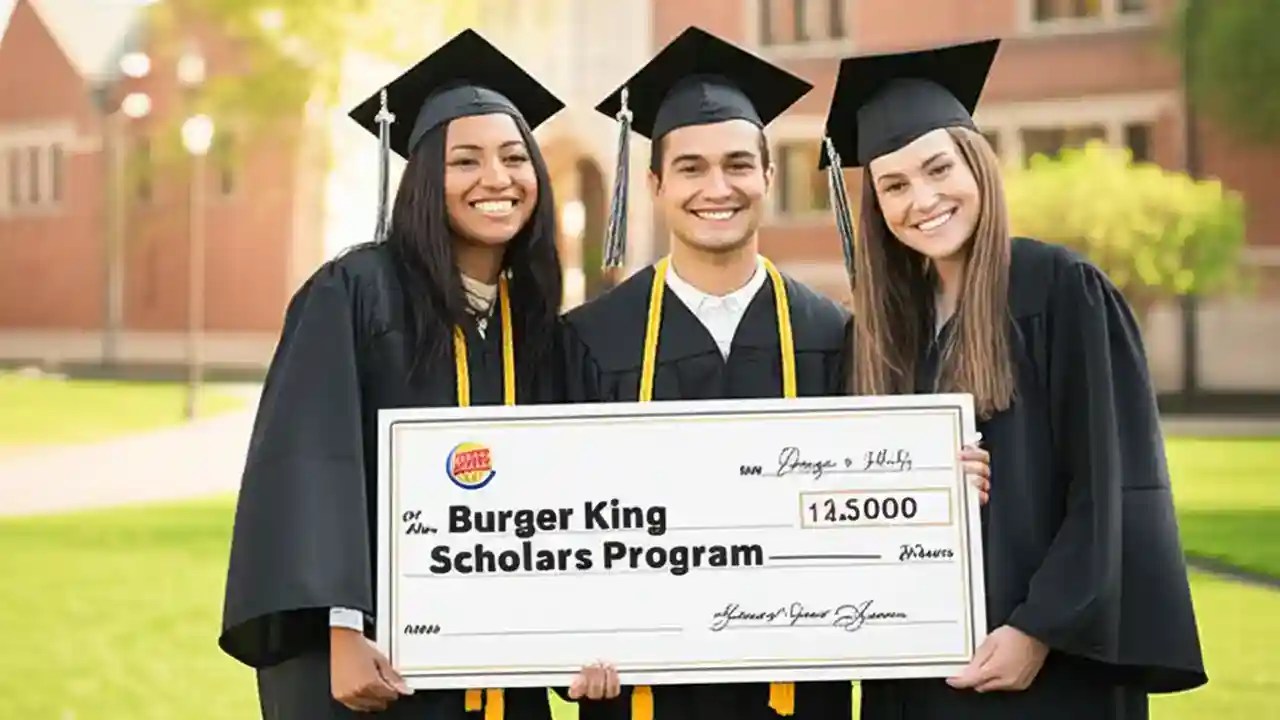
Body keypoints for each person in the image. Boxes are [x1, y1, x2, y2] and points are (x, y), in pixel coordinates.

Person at [558, 26, 991, 720]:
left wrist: (931, 484)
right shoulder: (587, 339)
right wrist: (562, 646)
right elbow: (554, 517)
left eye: (737, 164)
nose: (717, 187)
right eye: (692, 168)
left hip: (799, 699)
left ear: (767, 175)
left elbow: (870, 508)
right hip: (637, 698)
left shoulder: (835, 333)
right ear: (654, 184)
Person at [817, 37, 1207, 720]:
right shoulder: (876, 335)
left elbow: (1111, 485)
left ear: (978, 165)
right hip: (919, 678)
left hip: (1050, 678)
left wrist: (1038, 630)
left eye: (938, 169)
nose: (923, 200)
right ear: (874, 207)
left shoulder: (1062, 292)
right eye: (895, 186)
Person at [217, 29, 570, 720]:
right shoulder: (353, 293)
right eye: (464, 160)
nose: (496, 179)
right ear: (420, 178)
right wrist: (343, 626)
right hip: (370, 662)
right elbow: (312, 459)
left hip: (497, 659)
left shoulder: (535, 322)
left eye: (513, 157)